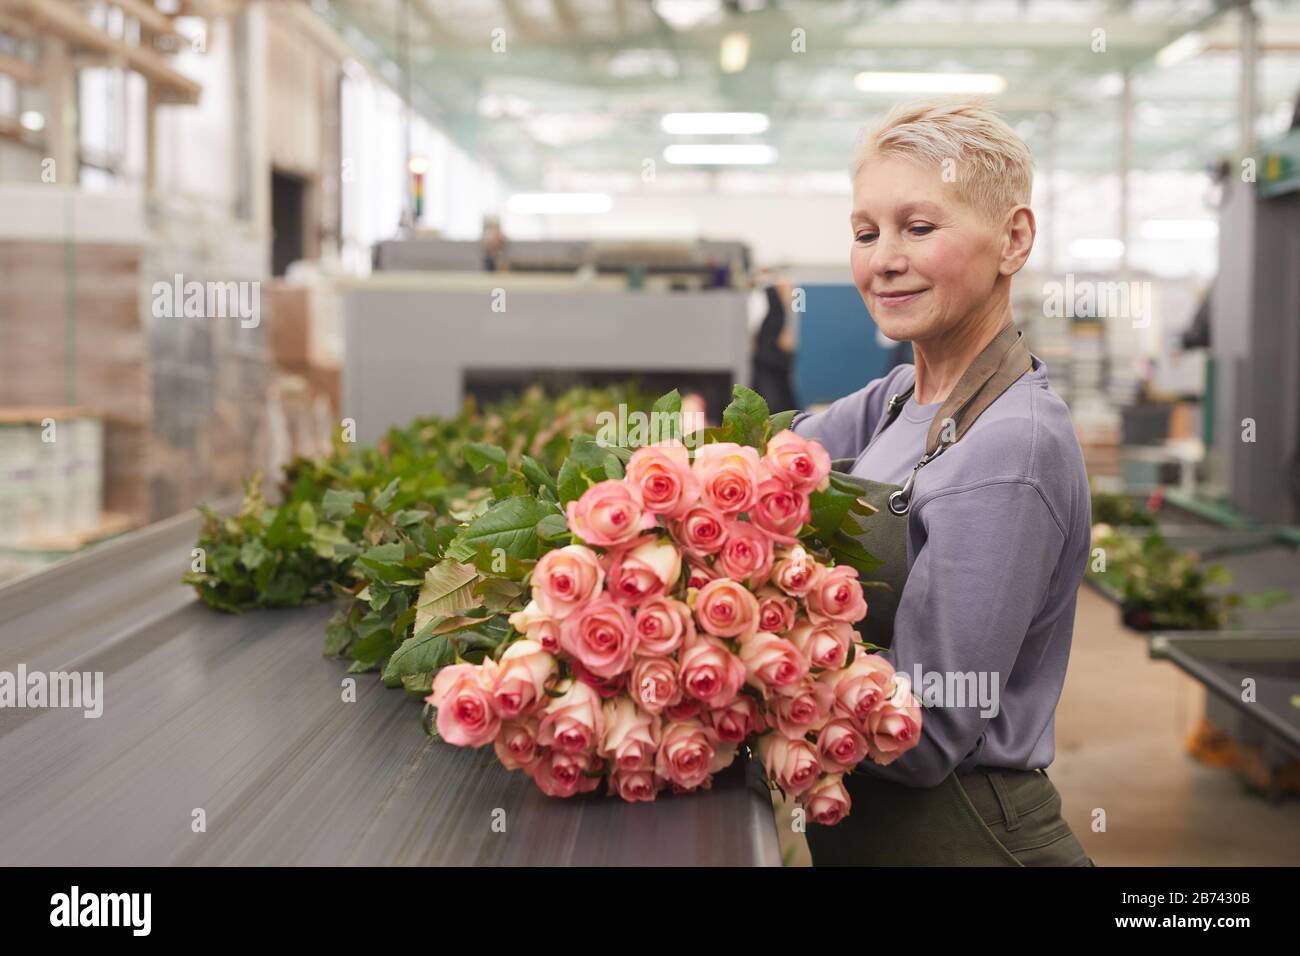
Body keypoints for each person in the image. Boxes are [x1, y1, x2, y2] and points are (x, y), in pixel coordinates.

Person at [791, 99, 1095, 866]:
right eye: (867, 233)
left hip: (970, 835)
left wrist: (742, 677)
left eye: (919, 228)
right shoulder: (895, 401)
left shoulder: (1009, 449)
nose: (884, 258)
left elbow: (923, 731)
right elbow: (758, 461)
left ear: (1013, 239)